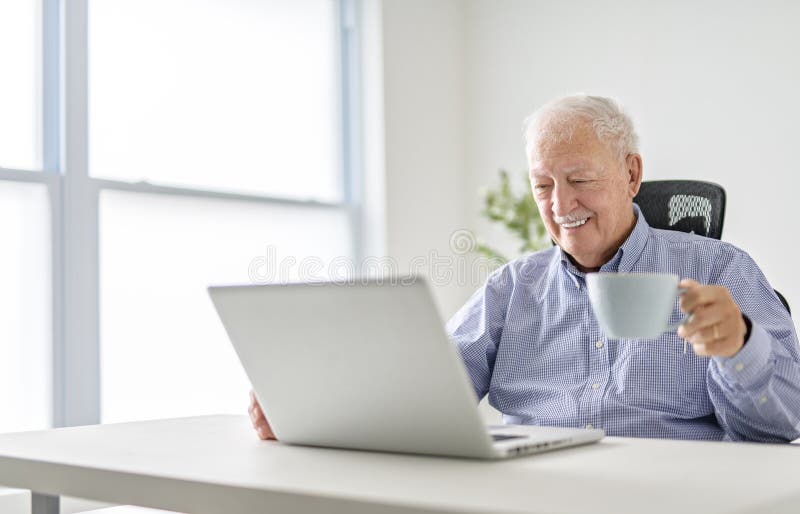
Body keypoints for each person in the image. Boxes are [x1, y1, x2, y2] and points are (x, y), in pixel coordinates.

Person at [249, 94, 800, 443]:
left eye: (579, 180)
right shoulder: (514, 287)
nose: (560, 204)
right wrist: (310, 410)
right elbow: (424, 393)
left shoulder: (719, 270)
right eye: (542, 185)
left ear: (631, 175)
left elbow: (783, 423)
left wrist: (739, 346)